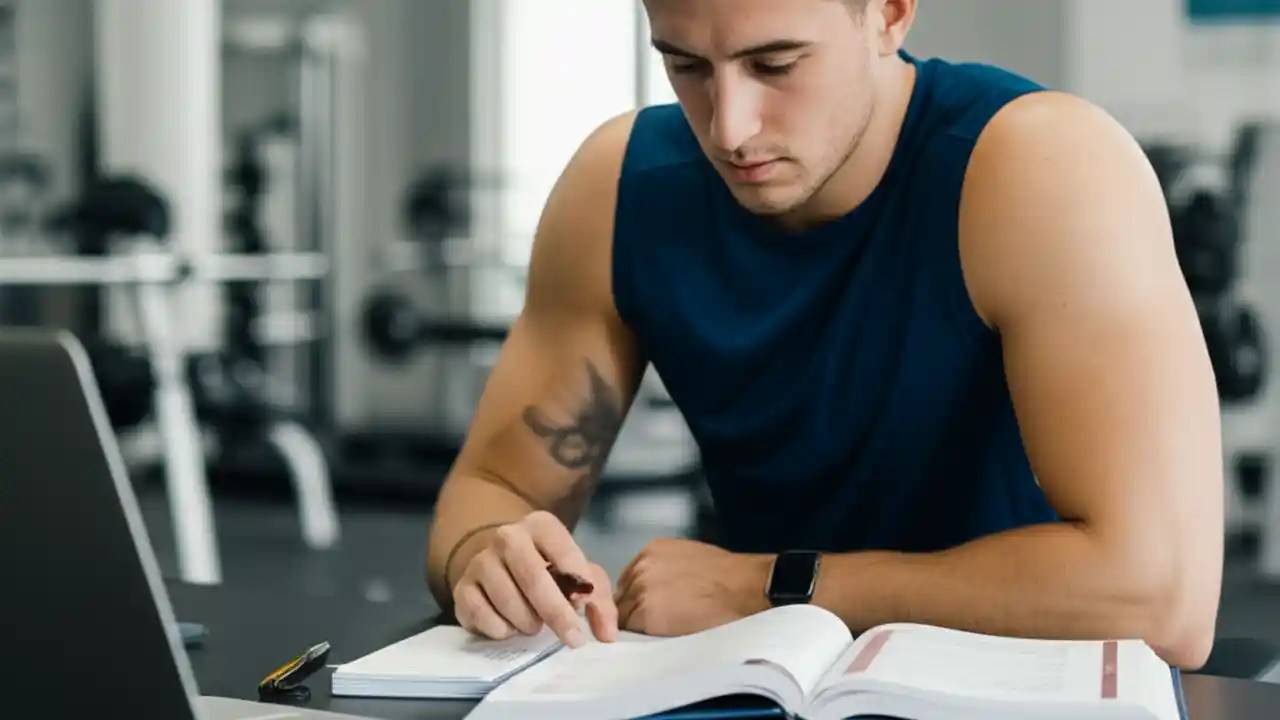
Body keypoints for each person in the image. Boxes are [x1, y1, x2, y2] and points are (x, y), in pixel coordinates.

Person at [425, 0, 1223, 670]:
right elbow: (492, 491)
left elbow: (1162, 598)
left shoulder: (1040, 167)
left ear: (890, 11)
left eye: (775, 64)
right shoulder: (620, 188)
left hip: (1019, 684)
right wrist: (490, 555)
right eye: (687, 67)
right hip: (756, 683)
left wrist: (769, 586)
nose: (730, 127)